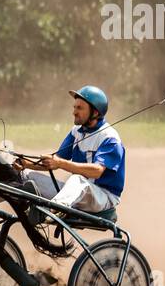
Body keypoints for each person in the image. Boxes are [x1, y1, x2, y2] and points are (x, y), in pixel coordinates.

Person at [14, 85, 124, 214]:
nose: (74, 112)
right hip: (74, 192)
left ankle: (51, 211)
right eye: (74, 107)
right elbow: (56, 162)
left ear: (95, 112)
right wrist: (26, 164)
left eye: (80, 108)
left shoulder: (109, 137)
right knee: (25, 175)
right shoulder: (76, 131)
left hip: (103, 198)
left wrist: (60, 163)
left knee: (77, 179)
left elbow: (97, 172)